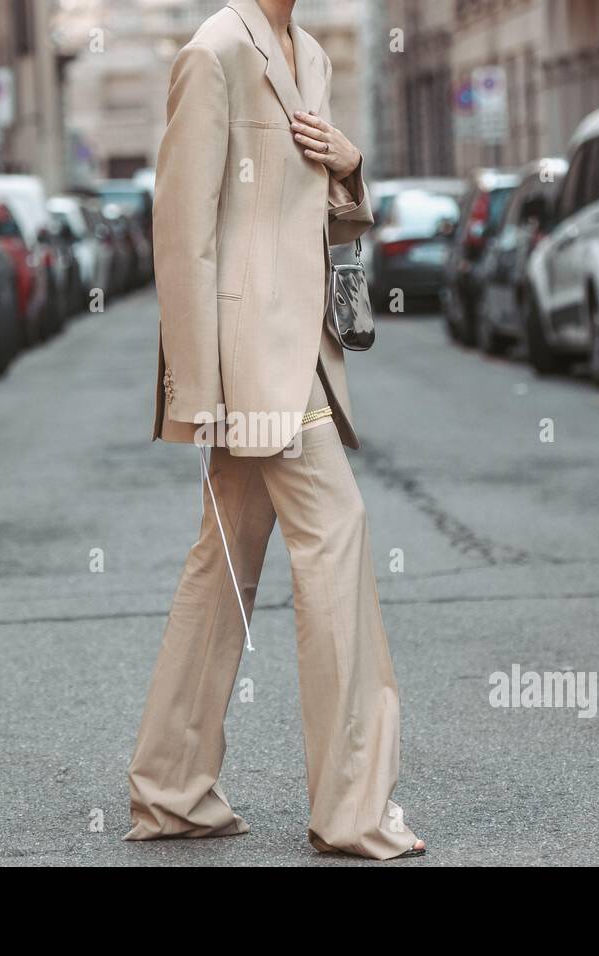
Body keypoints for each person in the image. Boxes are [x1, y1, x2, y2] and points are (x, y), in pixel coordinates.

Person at [125, 0, 426, 861]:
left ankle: (171, 788)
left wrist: (352, 168)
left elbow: (315, 215)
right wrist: (198, 387)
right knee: (338, 535)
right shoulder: (214, 51)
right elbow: (183, 233)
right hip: (253, 358)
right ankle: (351, 808)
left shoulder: (310, 53)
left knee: (222, 563)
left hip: (305, 344)